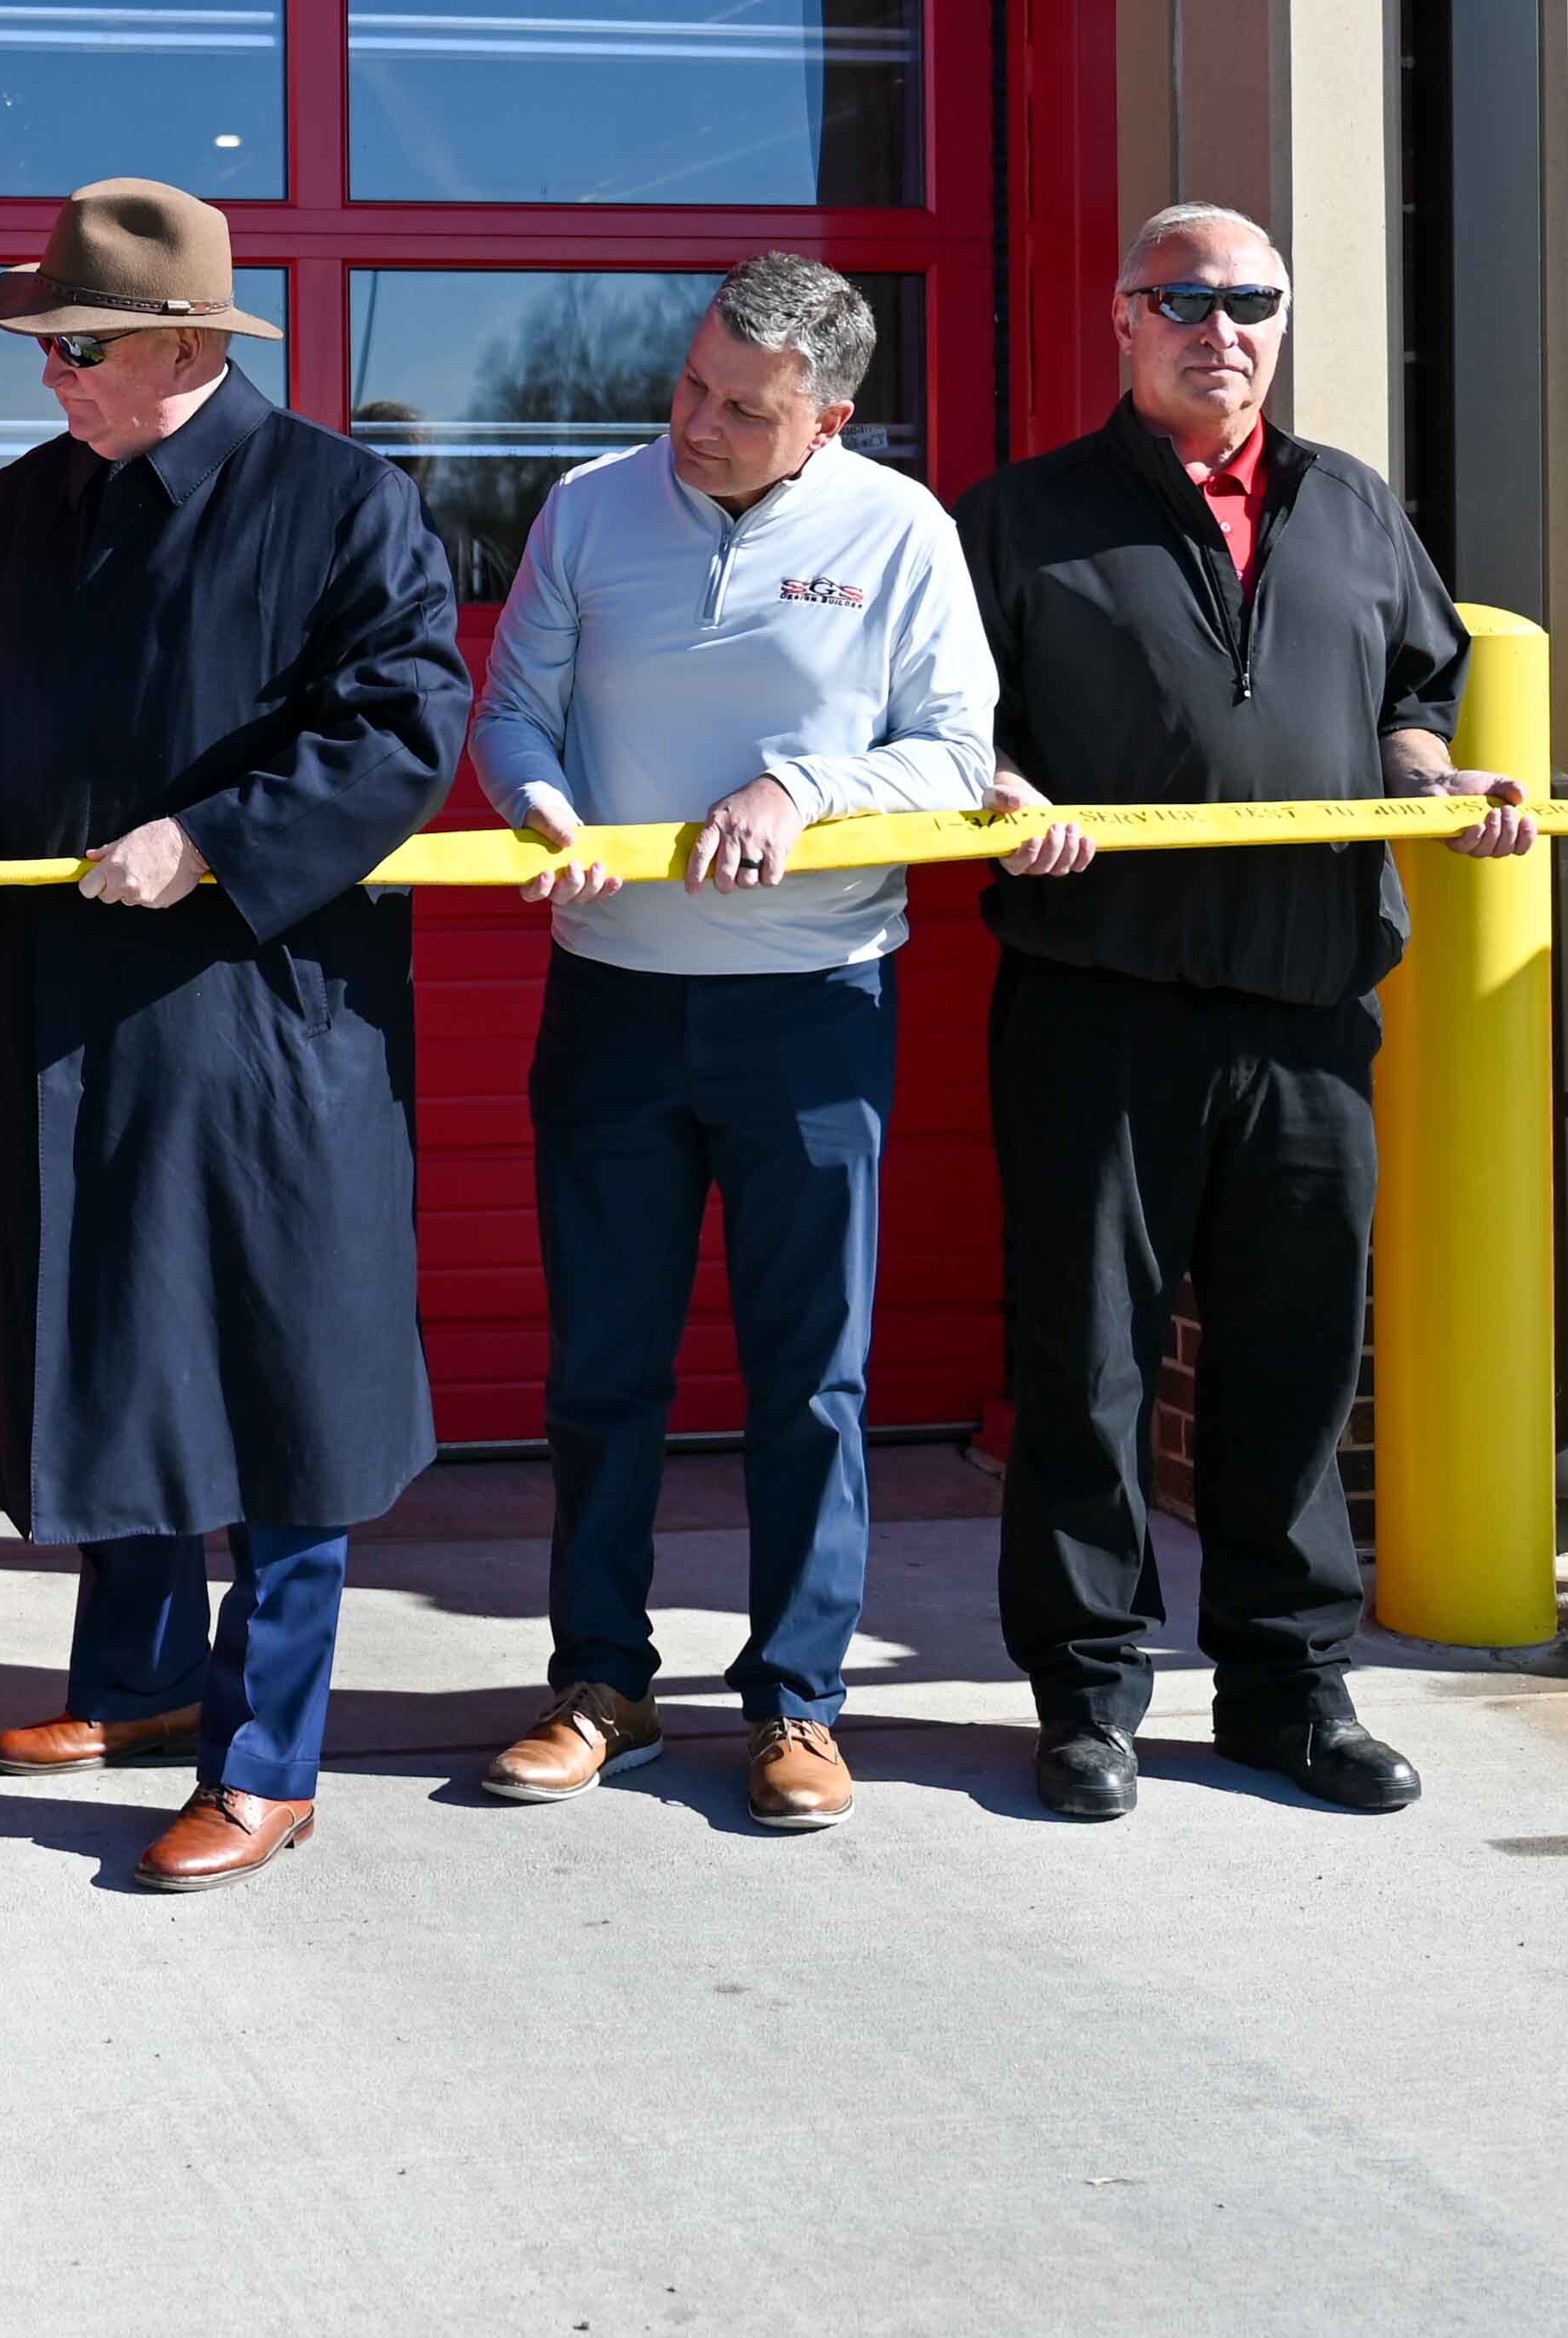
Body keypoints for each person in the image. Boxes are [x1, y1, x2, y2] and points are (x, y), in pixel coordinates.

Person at [0, 179, 469, 1893]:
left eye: (76, 347)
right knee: (104, 1333)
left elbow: (400, 726)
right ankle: (134, 1681)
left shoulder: (339, 504)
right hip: (64, 1009)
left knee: (285, 1380)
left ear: (189, 345)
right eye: (43, 349)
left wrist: (209, 838)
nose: (49, 376)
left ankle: (265, 1754)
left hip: (262, 1022)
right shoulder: (22, 511)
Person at [957, 201, 1532, 1822]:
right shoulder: (1020, 518)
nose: (1222, 325)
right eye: (1184, 297)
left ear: (1282, 321)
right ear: (1123, 322)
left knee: (1293, 1365)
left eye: (1251, 300)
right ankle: (1087, 1695)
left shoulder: (1350, 504)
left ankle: (1288, 1686)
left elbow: (1415, 691)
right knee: (1090, 1366)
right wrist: (996, 783)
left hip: (1306, 1007)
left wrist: (1437, 781)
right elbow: (939, 723)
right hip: (1098, 1004)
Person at [465, 255, 995, 1831]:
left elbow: (958, 752)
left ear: (829, 417)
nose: (694, 422)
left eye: (743, 409)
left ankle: (798, 1702)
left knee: (810, 1379)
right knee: (603, 1371)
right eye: (689, 386)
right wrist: (543, 808)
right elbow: (512, 719)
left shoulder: (903, 532)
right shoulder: (588, 506)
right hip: (615, 996)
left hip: (814, 1003)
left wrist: (801, 788)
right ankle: (598, 1681)